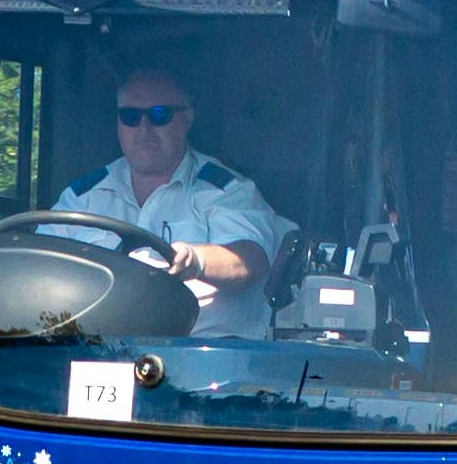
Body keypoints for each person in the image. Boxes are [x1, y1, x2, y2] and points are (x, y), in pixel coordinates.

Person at [50, 66, 290, 337]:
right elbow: (41, 265)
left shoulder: (227, 191)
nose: (144, 129)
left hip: (202, 361)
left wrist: (196, 260)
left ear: (187, 119)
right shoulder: (81, 198)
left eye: (159, 115)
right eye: (130, 116)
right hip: (94, 353)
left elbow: (249, 260)